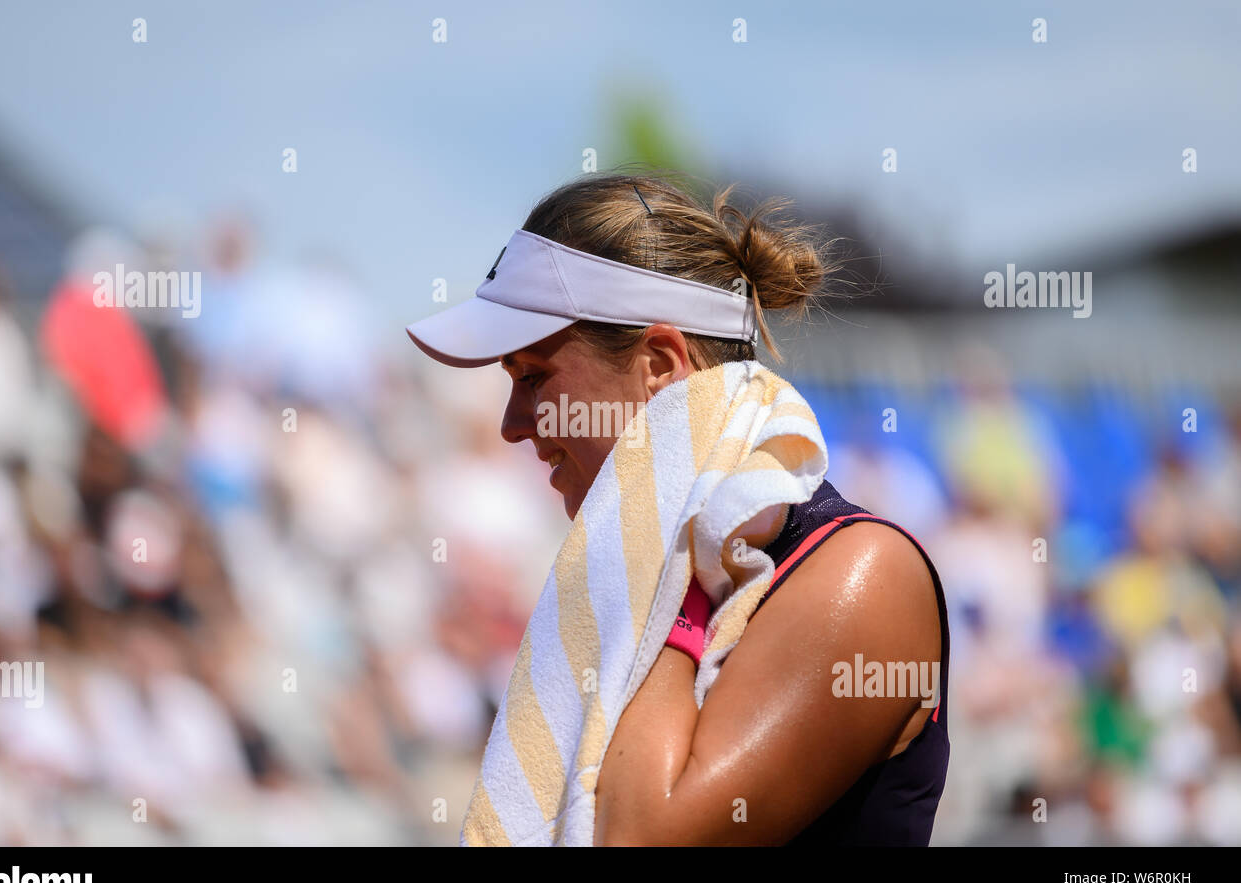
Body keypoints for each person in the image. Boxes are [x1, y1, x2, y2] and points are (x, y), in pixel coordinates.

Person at [406, 170, 949, 846]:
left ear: (661, 364)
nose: (512, 424)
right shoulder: (631, 576)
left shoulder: (863, 574)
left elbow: (639, 838)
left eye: (533, 376)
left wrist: (675, 567)